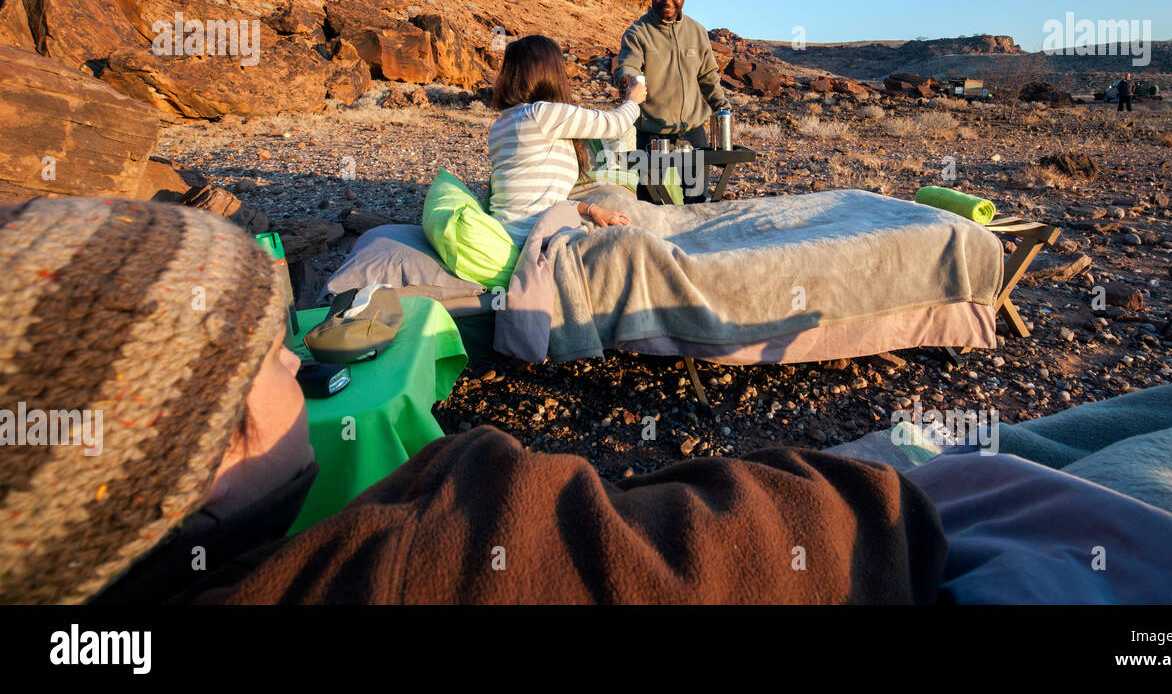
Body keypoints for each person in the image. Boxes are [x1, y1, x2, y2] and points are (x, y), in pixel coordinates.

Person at [0, 197, 947, 604]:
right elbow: (824, 535)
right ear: (185, 464)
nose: (293, 364)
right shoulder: (423, 564)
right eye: (262, 357)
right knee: (1010, 459)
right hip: (915, 537)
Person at [488, 35, 647, 246]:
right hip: (531, 238)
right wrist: (633, 100)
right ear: (548, 71)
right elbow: (614, 124)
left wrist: (591, 209)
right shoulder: (541, 113)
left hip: (505, 232)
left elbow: (537, 195)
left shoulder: (502, 122)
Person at [613, 0, 732, 203]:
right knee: (651, 201)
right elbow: (628, 66)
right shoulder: (638, 33)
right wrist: (627, 79)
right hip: (651, 134)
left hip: (692, 130)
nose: (667, 0)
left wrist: (722, 107)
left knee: (696, 200)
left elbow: (708, 76)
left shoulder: (697, 32)